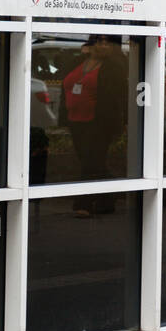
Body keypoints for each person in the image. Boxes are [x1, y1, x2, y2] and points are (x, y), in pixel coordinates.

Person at [60, 35, 128, 217]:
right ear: (92, 43)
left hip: (99, 123)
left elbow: (118, 99)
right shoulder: (77, 61)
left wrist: (121, 124)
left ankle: (84, 203)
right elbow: (64, 83)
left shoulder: (114, 67)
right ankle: (109, 196)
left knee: (91, 161)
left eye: (107, 42)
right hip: (76, 120)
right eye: (99, 41)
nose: (103, 45)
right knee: (92, 162)